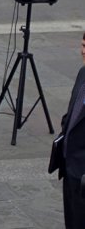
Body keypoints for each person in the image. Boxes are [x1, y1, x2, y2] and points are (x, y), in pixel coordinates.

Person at [59, 32, 85, 228]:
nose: (83, 51)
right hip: (70, 167)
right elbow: (72, 109)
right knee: (72, 220)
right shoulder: (82, 72)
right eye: (83, 45)